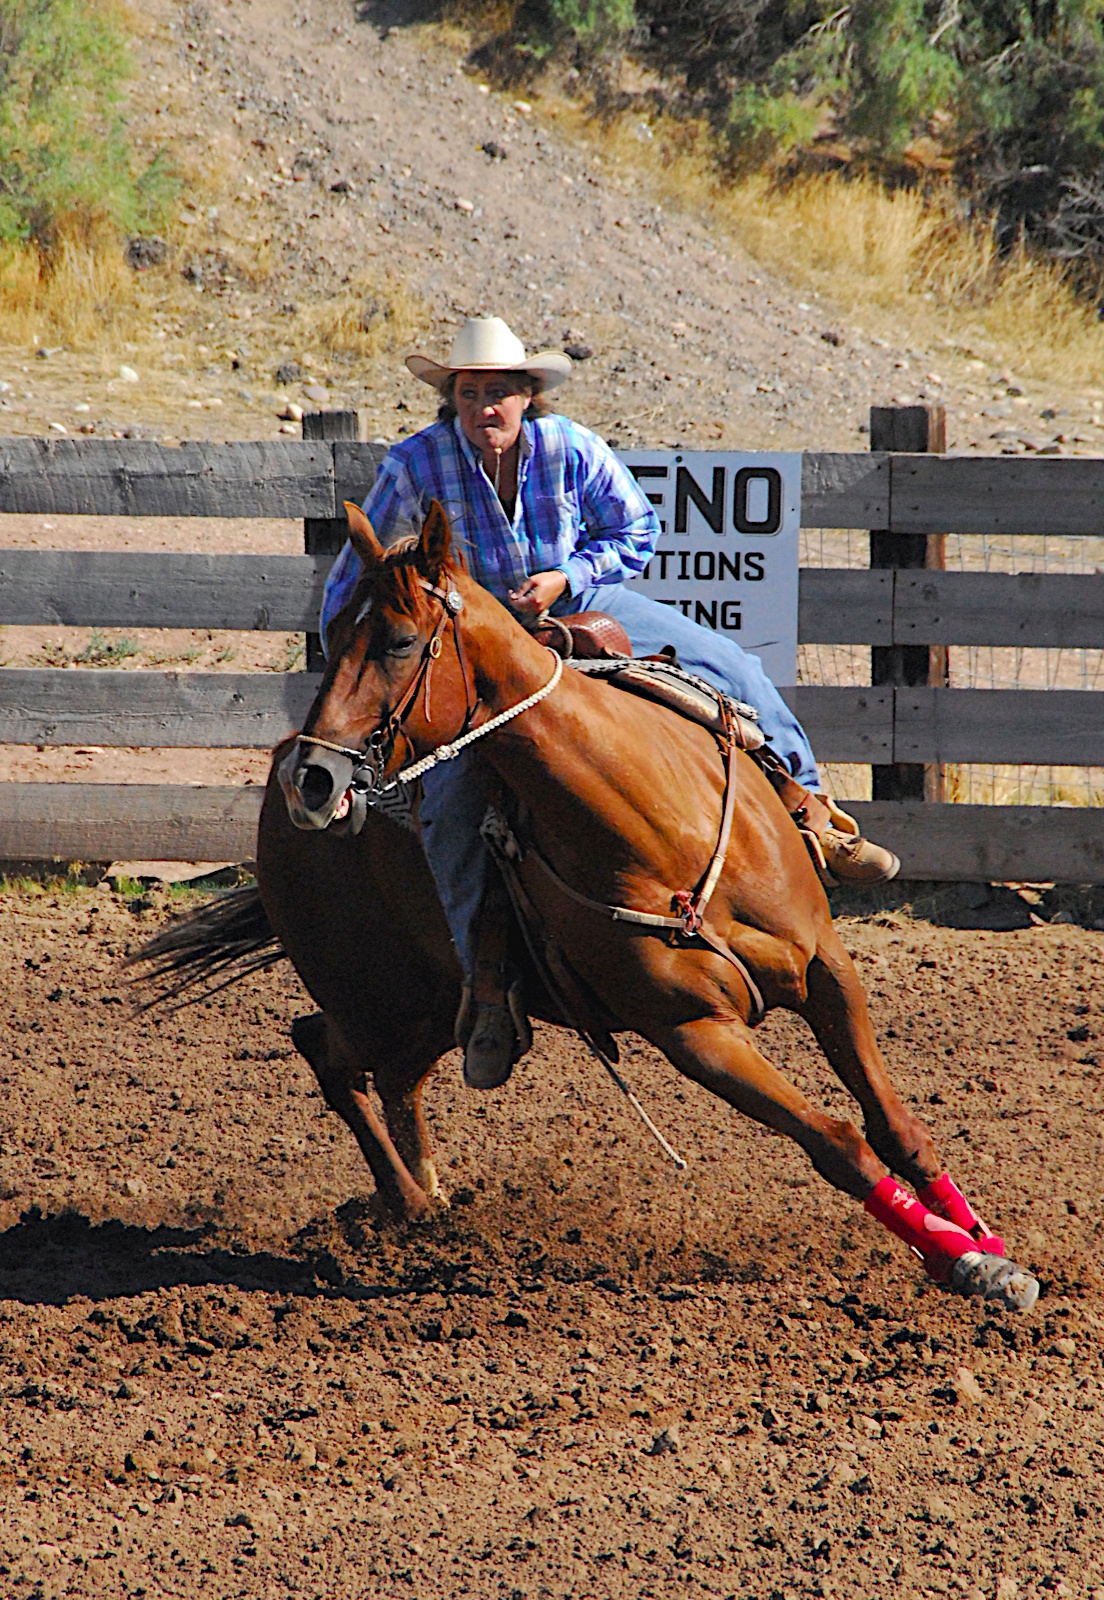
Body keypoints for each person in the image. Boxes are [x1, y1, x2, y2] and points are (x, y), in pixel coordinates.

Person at [321, 317, 899, 1089]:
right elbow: (349, 587)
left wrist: (568, 575)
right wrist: (360, 657)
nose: (485, 407)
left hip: (583, 606)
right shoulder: (414, 464)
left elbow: (635, 528)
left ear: (527, 397)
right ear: (451, 400)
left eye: (498, 393)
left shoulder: (570, 448)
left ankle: (815, 815)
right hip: (480, 650)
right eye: (469, 393)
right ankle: (488, 990)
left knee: (732, 668)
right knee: (450, 803)